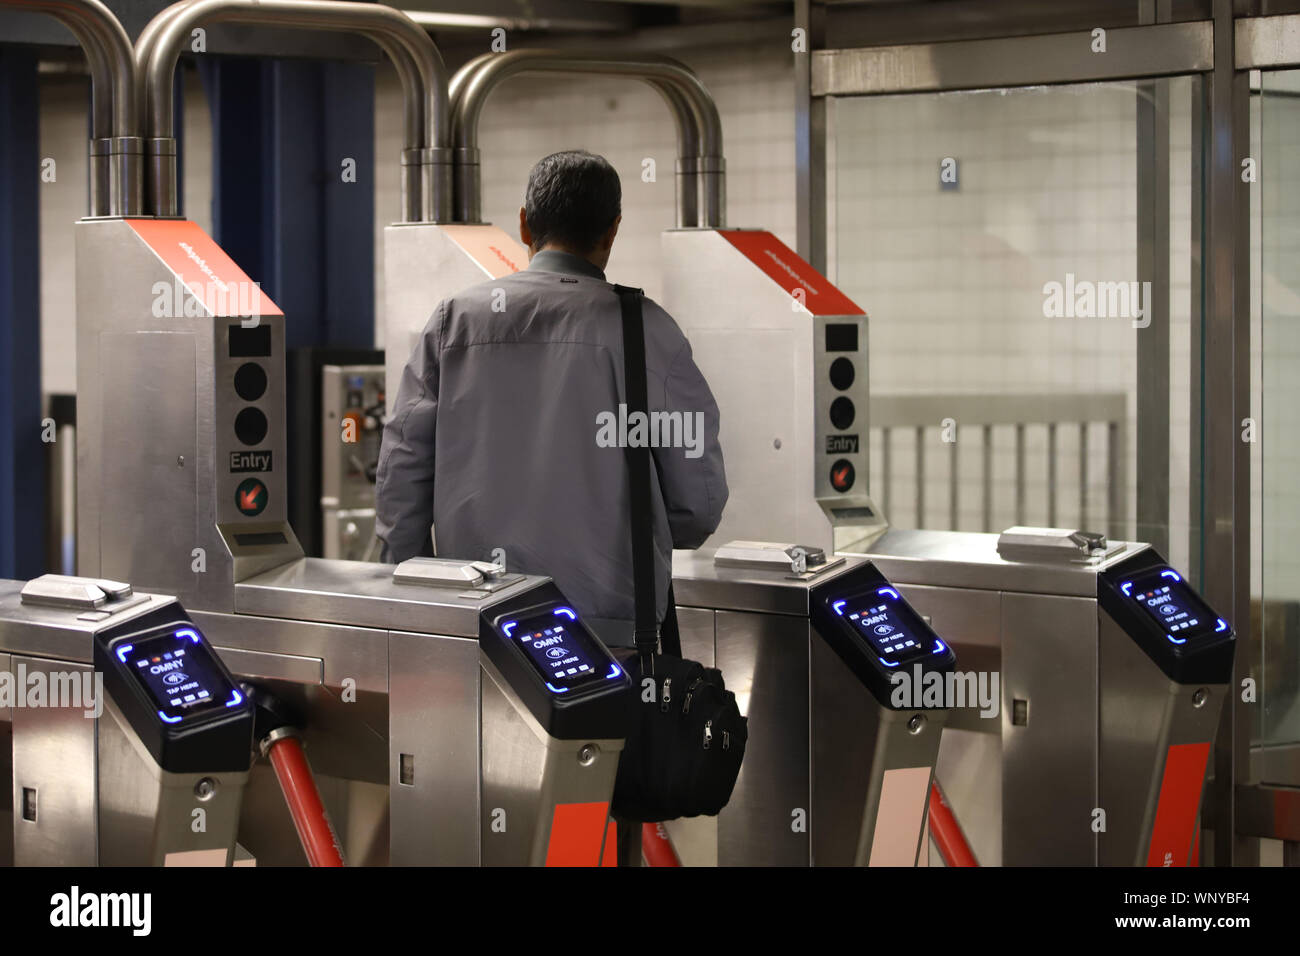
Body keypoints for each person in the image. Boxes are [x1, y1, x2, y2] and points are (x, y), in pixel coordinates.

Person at [375, 149, 727, 645]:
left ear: (523, 224)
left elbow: (403, 468)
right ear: (612, 231)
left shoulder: (455, 320)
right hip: (608, 627)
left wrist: (417, 587)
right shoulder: (648, 330)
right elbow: (698, 500)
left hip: (473, 622)